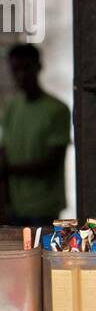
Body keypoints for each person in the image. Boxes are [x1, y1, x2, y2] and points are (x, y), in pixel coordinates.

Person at [0, 44, 70, 225]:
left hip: (44, 208)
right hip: (16, 207)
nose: (21, 75)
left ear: (38, 67)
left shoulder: (57, 110)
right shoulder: (12, 108)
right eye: (16, 69)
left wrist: (9, 170)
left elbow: (51, 163)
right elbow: (4, 151)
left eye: (26, 68)